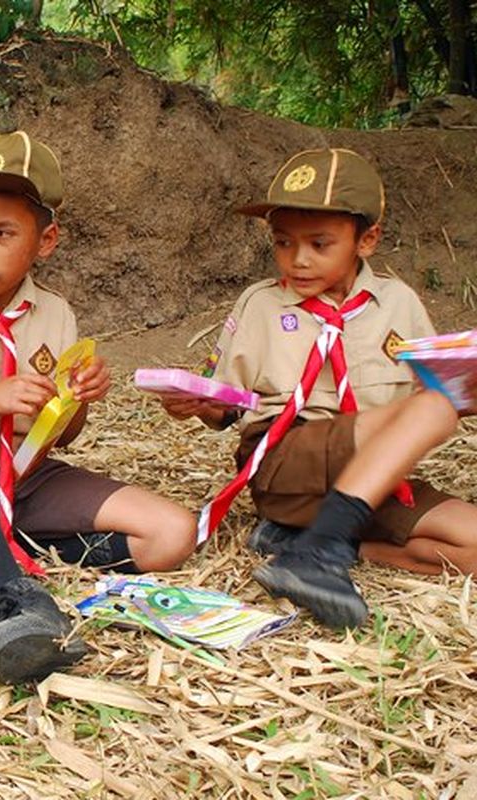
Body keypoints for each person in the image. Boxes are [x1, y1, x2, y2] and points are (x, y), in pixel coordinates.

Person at [0, 131, 196, 683]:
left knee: (172, 533)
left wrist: (80, 400)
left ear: (45, 241)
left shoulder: (54, 315)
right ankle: (12, 599)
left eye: (2, 234)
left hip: (27, 475)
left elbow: (61, 436)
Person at [161, 147, 477, 628]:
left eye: (319, 244)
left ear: (366, 240)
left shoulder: (398, 304)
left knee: (471, 544)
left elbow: (425, 399)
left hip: (374, 479)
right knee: (436, 409)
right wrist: (199, 406)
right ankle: (319, 550)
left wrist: (465, 392)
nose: (298, 260)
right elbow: (226, 407)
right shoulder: (261, 305)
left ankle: (328, 544)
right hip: (286, 462)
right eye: (284, 243)